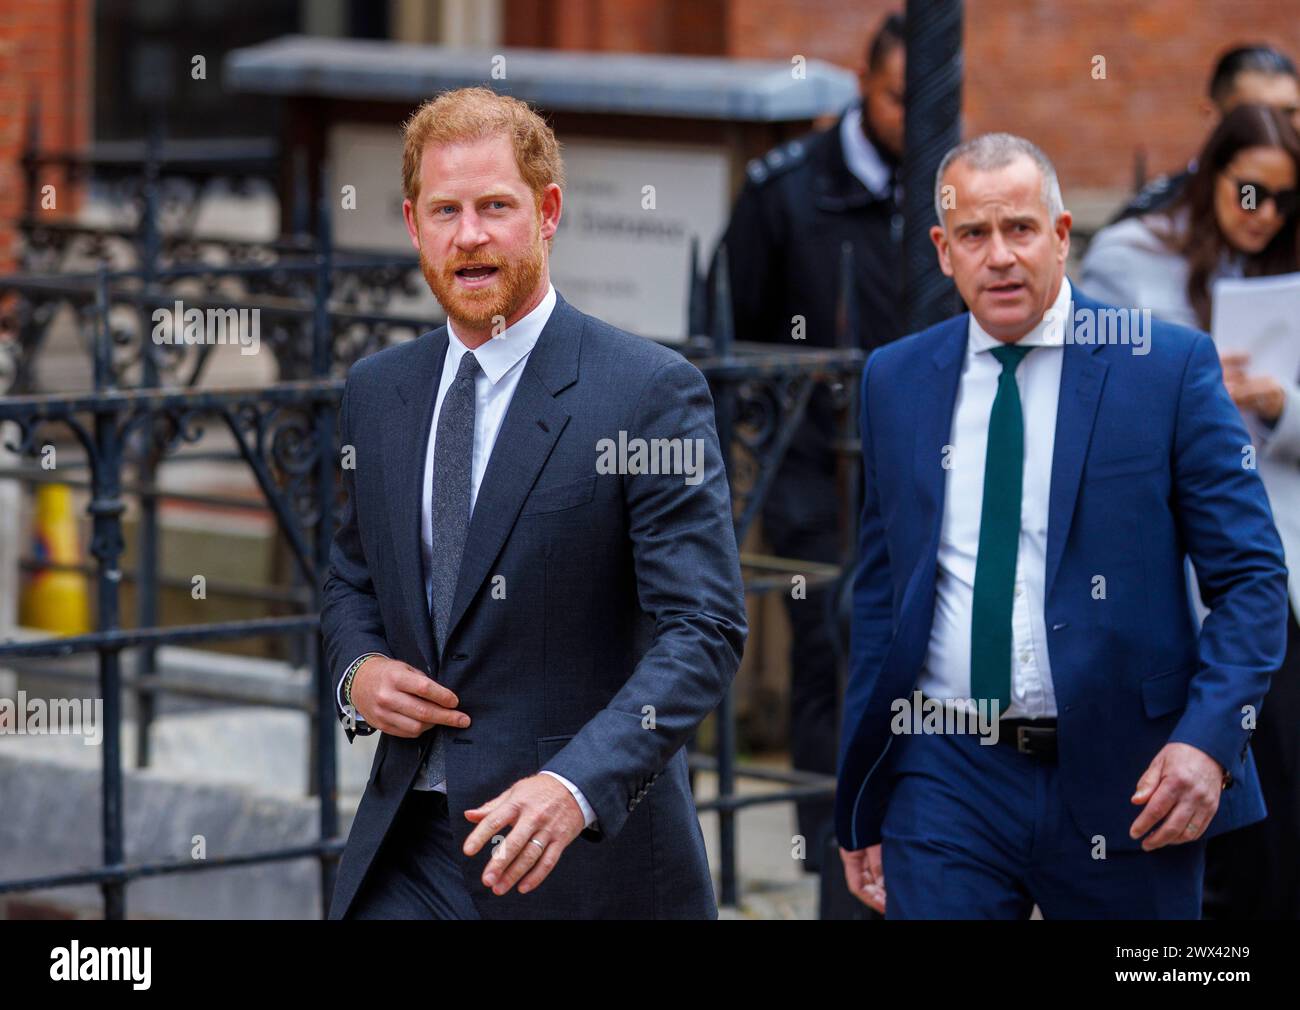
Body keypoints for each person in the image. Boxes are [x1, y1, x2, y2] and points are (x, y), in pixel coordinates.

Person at [835, 132, 1289, 919]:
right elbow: (881, 597)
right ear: (943, 251)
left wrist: (1208, 742)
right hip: (947, 774)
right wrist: (861, 796)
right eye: (975, 235)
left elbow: (1251, 579)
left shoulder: (1166, 368)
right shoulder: (896, 379)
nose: (1000, 256)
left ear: (1062, 234)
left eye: (1020, 229)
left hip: (1133, 775)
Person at [321, 87, 747, 920]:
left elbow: (704, 630)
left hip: (579, 864)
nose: (469, 235)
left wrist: (575, 784)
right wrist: (356, 673)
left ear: (548, 213)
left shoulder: (648, 393)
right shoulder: (377, 393)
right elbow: (349, 579)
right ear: (413, 226)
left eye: (495, 207)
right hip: (407, 848)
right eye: (445, 210)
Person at [1081, 103, 1300, 918]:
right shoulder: (1132, 262)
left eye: (1285, 201)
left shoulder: (1286, 267)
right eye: (1251, 193)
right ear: (1212, 176)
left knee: (1275, 781)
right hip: (1163, 569)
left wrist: (1282, 403)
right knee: (1182, 792)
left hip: (1275, 558)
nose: (1265, 216)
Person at [707, 12, 907, 871]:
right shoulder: (785, 190)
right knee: (830, 648)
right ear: (866, 84)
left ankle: (910, 840)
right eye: (900, 97)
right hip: (814, 471)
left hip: (920, 465)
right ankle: (831, 852)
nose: (915, 115)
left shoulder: (949, 179)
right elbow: (726, 334)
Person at [1112, 44, 1299, 223]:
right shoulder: (1156, 216)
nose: (1278, 129)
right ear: (1214, 117)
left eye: (1289, 112)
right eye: (1258, 117)